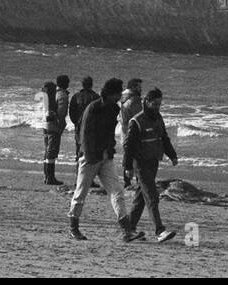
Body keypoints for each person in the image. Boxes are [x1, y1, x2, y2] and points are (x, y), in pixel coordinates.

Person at [68, 78, 139, 242]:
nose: (119, 97)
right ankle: (73, 228)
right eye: (117, 94)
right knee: (81, 193)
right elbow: (83, 132)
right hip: (90, 157)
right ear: (110, 93)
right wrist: (89, 155)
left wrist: (110, 148)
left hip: (106, 157)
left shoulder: (114, 109)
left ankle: (126, 230)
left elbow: (110, 132)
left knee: (117, 191)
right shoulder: (93, 108)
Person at [123, 87, 178, 243]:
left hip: (153, 162)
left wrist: (172, 155)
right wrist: (127, 167)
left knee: (141, 197)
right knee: (152, 196)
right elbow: (129, 147)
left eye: (159, 104)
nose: (157, 107)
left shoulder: (158, 118)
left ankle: (129, 230)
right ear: (146, 102)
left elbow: (164, 138)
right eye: (154, 104)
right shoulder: (137, 121)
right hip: (140, 164)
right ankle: (159, 231)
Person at [67, 76, 98, 163]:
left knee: (79, 147)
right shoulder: (96, 97)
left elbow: (71, 112)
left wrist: (76, 122)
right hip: (92, 127)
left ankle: (79, 168)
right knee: (91, 147)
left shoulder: (76, 96)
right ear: (91, 85)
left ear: (82, 85)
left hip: (79, 125)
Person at [41, 80, 66, 185]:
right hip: (52, 127)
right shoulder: (51, 99)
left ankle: (46, 176)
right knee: (52, 152)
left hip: (44, 126)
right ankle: (50, 178)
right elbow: (57, 114)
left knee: (47, 151)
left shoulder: (45, 98)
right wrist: (61, 125)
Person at [119, 78, 144, 143]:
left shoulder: (121, 96)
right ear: (133, 87)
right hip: (133, 132)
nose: (141, 89)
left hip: (124, 130)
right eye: (139, 87)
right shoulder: (134, 99)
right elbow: (139, 118)